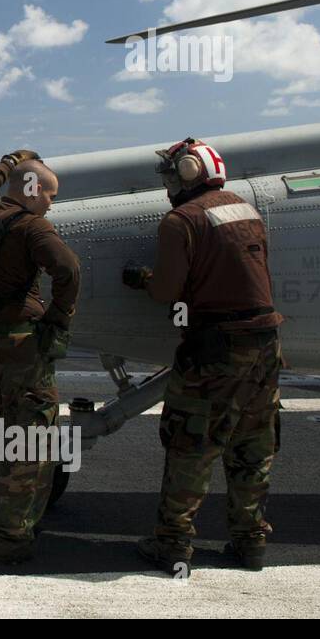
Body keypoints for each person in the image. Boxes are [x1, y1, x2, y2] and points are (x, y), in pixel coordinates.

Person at [123, 138, 283, 573]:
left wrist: (143, 279)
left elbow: (166, 292)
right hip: (265, 343)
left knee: (191, 444)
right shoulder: (246, 209)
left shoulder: (181, 220)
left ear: (189, 173)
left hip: (215, 348)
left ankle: (173, 544)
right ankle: (250, 541)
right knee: (253, 444)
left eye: (171, 175)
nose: (168, 185)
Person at [0, 149, 80, 564]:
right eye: (49, 194)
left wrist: (9, 161)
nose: (51, 202)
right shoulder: (33, 228)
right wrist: (58, 318)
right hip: (21, 348)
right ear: (31, 191)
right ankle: (12, 539)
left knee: (3, 425)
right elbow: (68, 269)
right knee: (31, 442)